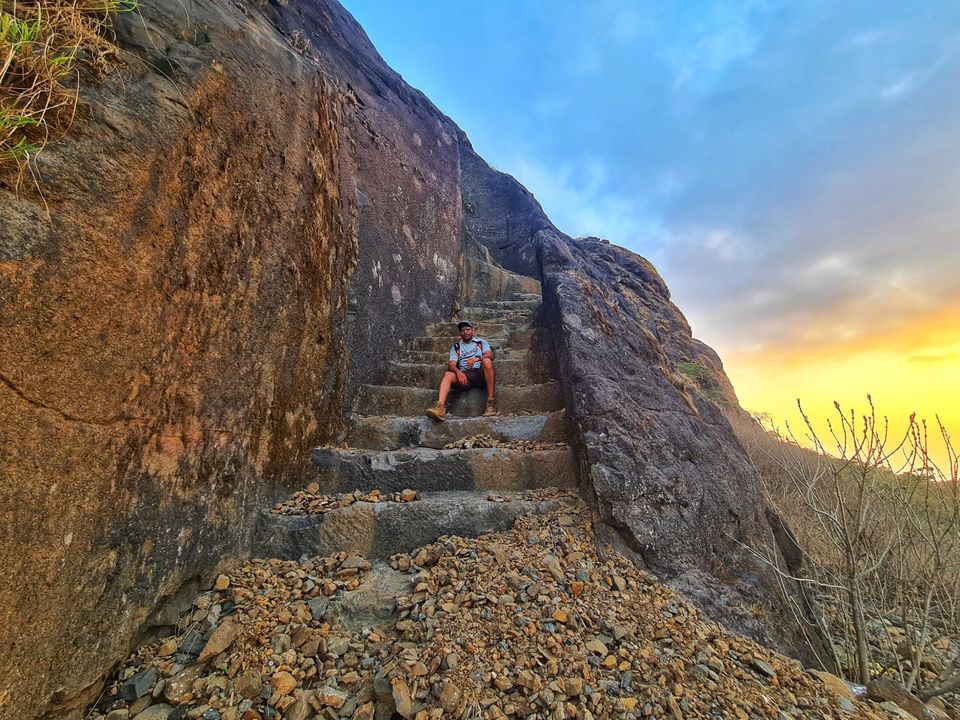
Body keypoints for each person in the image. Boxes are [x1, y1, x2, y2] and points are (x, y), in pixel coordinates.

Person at [425, 320, 495, 421]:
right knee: (448, 374)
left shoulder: (481, 342)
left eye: (468, 329)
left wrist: (477, 358)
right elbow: (451, 365)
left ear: (472, 330)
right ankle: (440, 408)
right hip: (465, 376)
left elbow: (489, 355)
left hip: (480, 374)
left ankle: (490, 403)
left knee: (487, 361)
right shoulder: (456, 347)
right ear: (460, 333)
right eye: (462, 330)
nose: (465, 332)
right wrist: (458, 372)